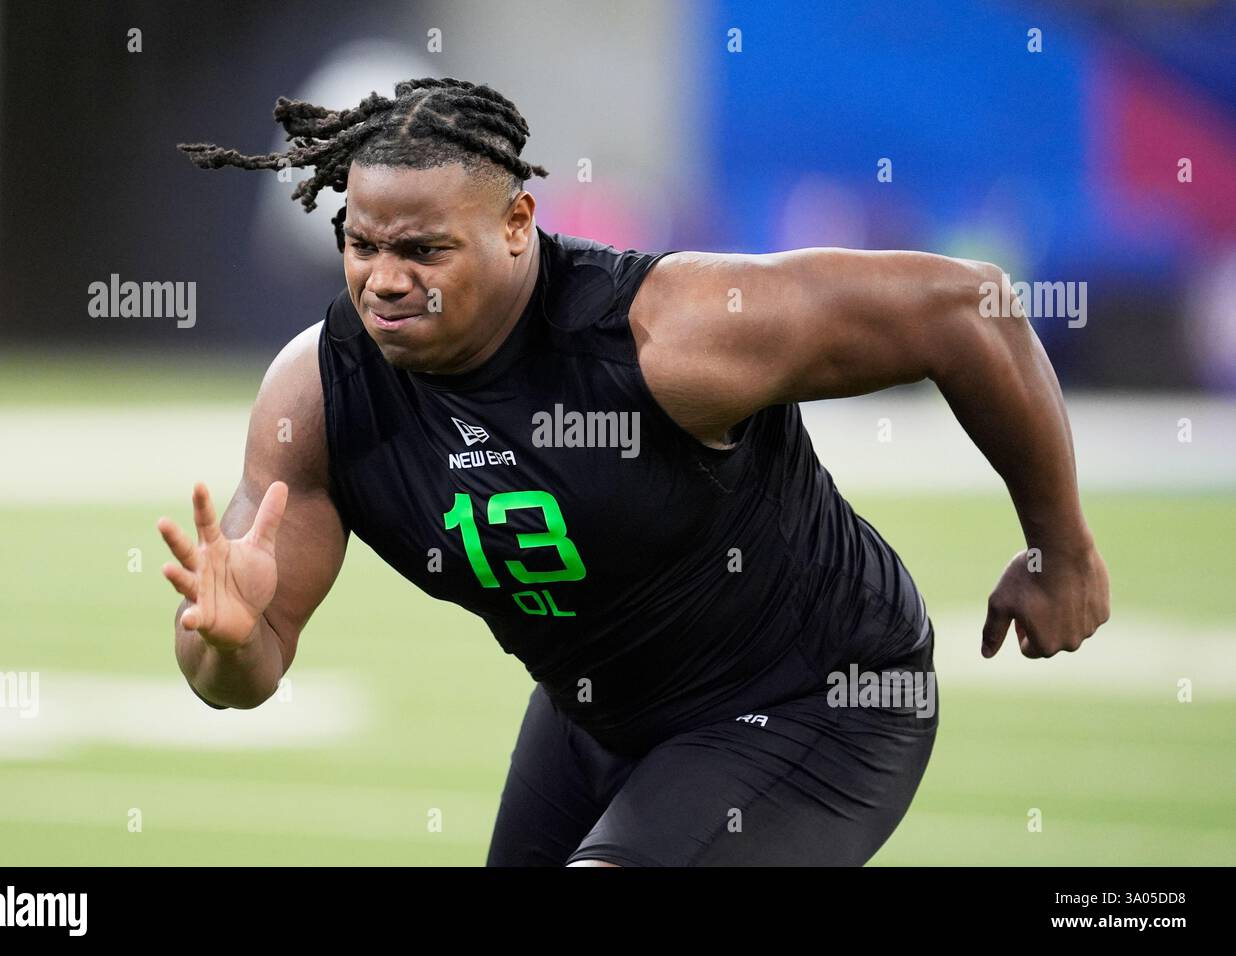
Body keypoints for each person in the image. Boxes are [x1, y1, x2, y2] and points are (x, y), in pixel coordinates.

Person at [159, 76, 1110, 866]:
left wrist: (1059, 553)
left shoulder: (669, 333)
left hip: (812, 699)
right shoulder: (319, 393)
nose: (384, 279)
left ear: (519, 223)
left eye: (423, 249)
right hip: (597, 714)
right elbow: (236, 677)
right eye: (361, 246)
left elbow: (969, 308)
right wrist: (237, 639)